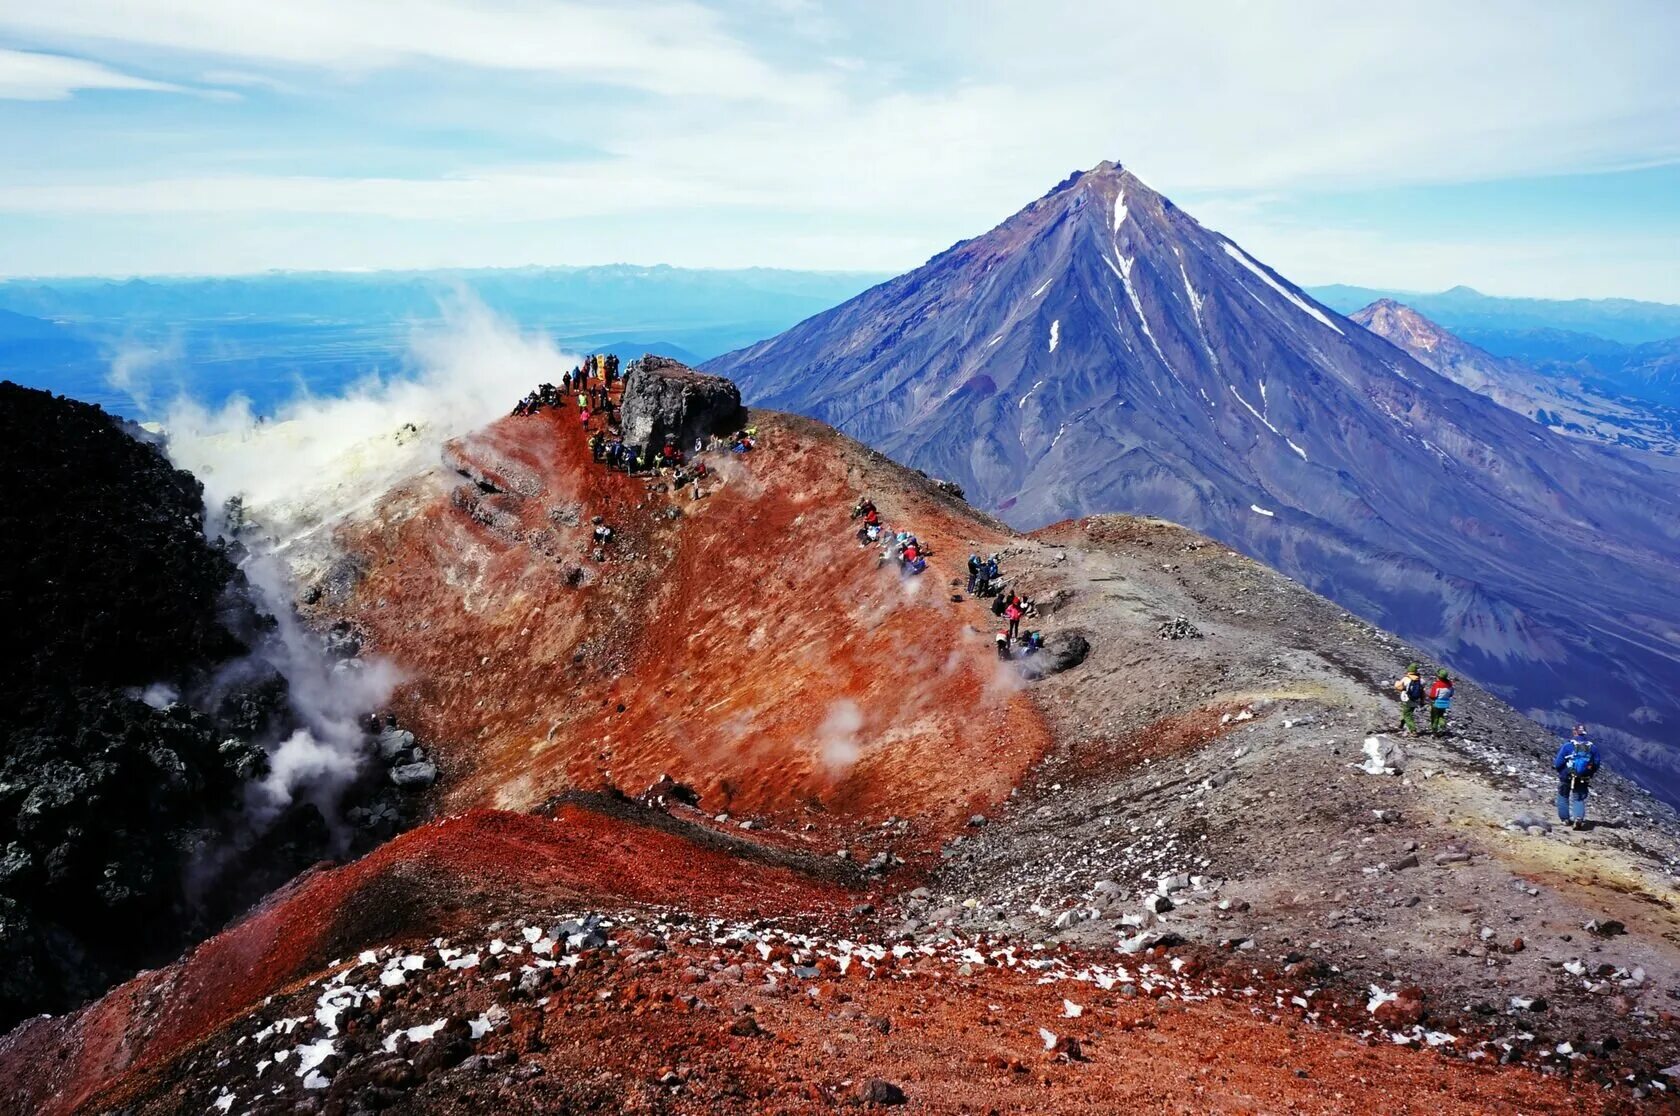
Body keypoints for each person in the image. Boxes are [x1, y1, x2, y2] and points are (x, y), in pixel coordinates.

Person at [1554, 726, 1601, 830]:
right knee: (1578, 798)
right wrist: (1589, 772)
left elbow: (1558, 763)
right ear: (1584, 733)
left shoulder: (1567, 746)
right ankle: (1578, 818)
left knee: (1563, 795)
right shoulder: (1592, 748)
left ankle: (1565, 819)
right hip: (1583, 776)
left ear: (1574, 732)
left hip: (1566, 775)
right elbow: (1596, 764)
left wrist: (1561, 771)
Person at [1392, 663, 1425, 735]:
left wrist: (1402, 688)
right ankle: (1401, 725)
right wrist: (1422, 701)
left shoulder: (1406, 678)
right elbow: (1423, 692)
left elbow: (1398, 687)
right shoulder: (1421, 680)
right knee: (1407, 712)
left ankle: (1413, 730)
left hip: (1407, 699)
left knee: (1407, 715)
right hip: (1415, 700)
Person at [1427, 669, 1454, 735]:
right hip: (1445, 704)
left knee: (1435, 717)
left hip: (1436, 703)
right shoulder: (1450, 685)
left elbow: (1433, 695)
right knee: (1441, 716)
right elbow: (1451, 694)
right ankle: (1442, 725)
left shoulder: (1437, 685)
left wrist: (1429, 697)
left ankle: (1434, 730)